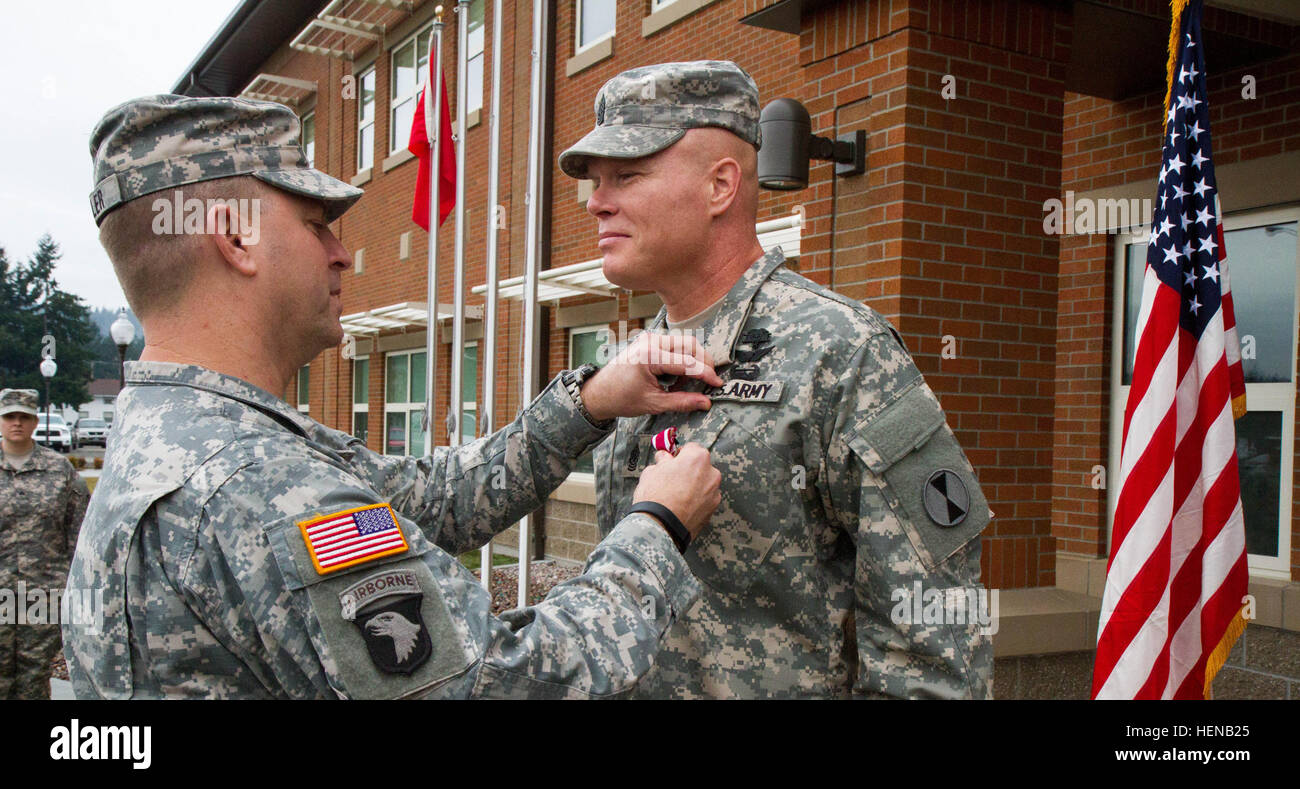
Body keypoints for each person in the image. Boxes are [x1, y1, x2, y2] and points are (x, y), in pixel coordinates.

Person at [64, 94, 725, 699]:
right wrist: (658, 526)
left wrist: (588, 403)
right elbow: (507, 684)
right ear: (237, 237)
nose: (341, 254)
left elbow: (431, 500)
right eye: (315, 222)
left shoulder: (176, 433)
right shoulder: (255, 481)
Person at [561, 61, 995, 698]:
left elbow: (935, 645)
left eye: (627, 175)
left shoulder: (844, 352)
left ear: (721, 186)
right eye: (596, 182)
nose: (597, 201)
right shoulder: (633, 367)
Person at [0, 388, 89, 699]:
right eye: (9, 416)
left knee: (33, 678)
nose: (17, 423)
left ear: (35, 421)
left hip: (42, 594)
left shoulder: (59, 470)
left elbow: (79, 533)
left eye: (24, 417)